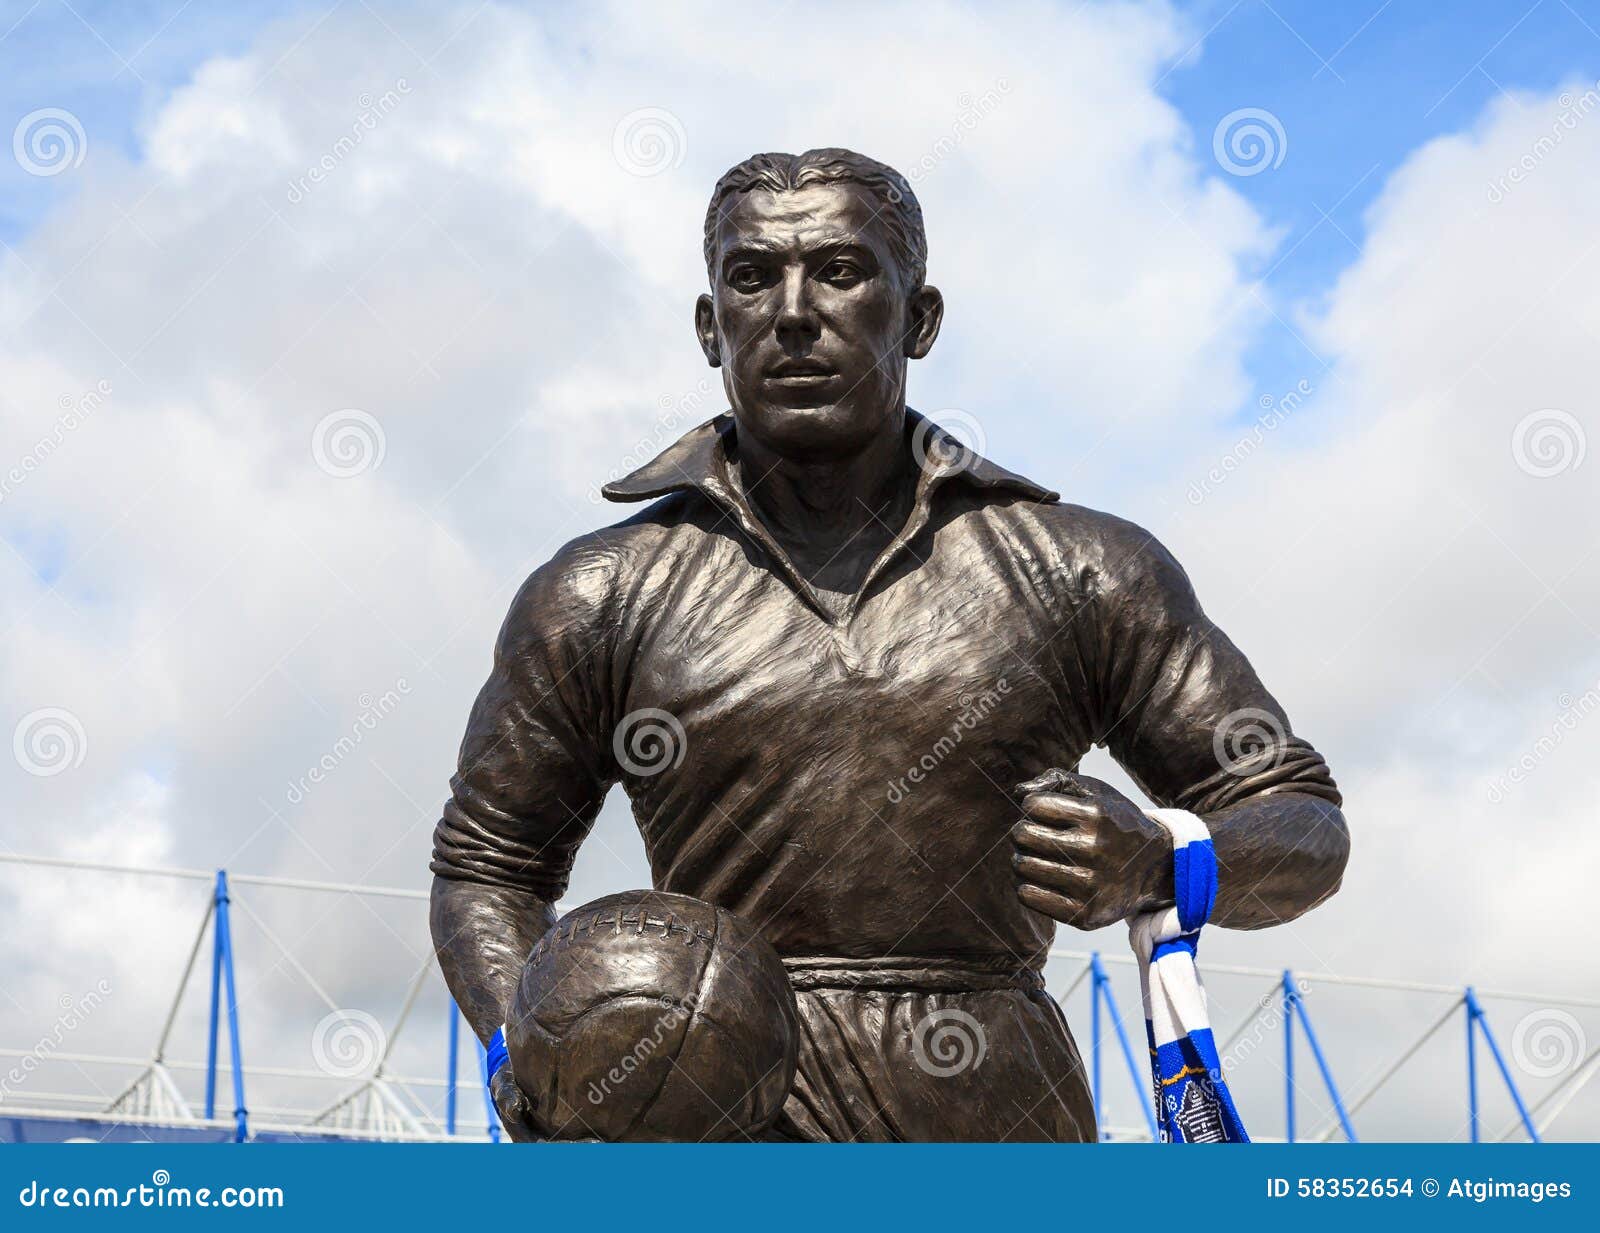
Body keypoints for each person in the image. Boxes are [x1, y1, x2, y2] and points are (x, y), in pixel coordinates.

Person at [429, 149, 1348, 1142]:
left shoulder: (1086, 569)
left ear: (919, 316)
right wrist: (523, 1057)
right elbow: (489, 867)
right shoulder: (597, 591)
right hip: (713, 1125)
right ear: (710, 327)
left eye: (840, 269)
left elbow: (1298, 821)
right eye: (751, 277)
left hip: (995, 1120)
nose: (790, 310)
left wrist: (1159, 865)